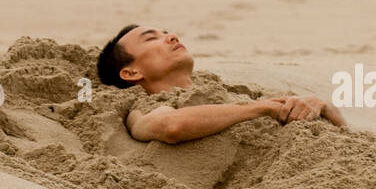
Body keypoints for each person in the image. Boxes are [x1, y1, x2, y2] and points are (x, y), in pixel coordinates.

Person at [96, 24, 346, 144]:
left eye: (166, 33)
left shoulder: (230, 92)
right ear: (130, 72)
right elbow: (170, 126)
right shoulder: (142, 107)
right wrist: (259, 109)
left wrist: (321, 106)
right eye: (152, 39)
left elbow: (346, 134)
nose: (171, 36)